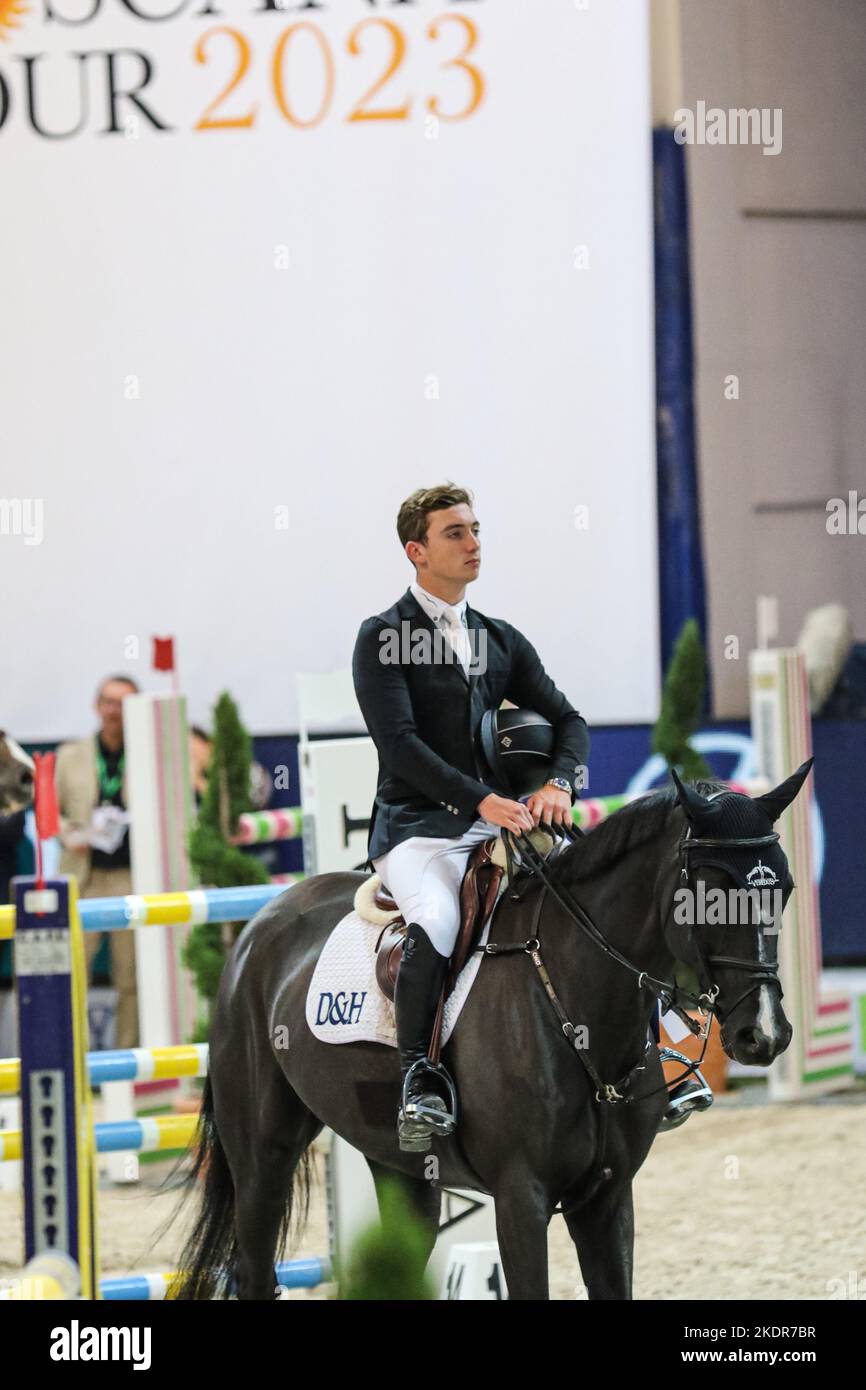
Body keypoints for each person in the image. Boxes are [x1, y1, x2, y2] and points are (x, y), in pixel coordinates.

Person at [352, 483, 591, 1150]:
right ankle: (418, 1077)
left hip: (501, 824)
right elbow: (400, 747)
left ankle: (657, 1048)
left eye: (476, 529)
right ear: (416, 550)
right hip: (419, 828)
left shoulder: (498, 638)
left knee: (596, 893)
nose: (474, 542)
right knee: (436, 917)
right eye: (455, 533)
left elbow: (568, 719)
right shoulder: (383, 637)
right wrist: (479, 799)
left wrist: (559, 784)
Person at [55, 675, 140, 1048]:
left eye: (122, 704)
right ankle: (73, 1059)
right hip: (83, 876)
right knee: (72, 973)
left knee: (130, 978)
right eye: (107, 702)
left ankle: (127, 1066)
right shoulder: (70, 755)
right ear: (95, 705)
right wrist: (67, 834)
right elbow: (48, 813)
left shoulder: (149, 753)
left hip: (131, 877)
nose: (113, 711)